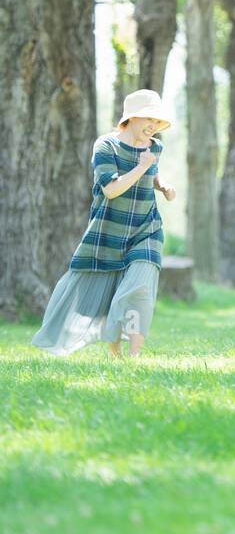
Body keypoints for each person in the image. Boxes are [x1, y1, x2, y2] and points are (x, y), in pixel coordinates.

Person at [32, 89, 175, 358]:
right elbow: (111, 189)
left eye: (157, 121)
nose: (153, 126)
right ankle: (115, 352)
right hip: (109, 229)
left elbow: (151, 172)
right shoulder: (106, 146)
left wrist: (162, 185)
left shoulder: (155, 147)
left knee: (139, 288)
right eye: (149, 119)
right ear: (131, 118)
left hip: (147, 227)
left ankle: (134, 358)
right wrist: (143, 168)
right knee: (111, 289)